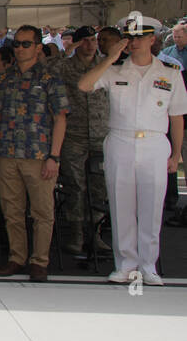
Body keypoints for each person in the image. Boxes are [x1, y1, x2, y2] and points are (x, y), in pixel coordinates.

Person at [79, 15, 186, 285]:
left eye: (140, 37)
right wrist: (109, 58)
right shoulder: (114, 71)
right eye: (130, 37)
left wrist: (176, 154)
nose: (134, 42)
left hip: (154, 142)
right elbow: (84, 85)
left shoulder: (170, 73)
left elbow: (176, 117)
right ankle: (125, 264)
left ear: (152, 39)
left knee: (151, 207)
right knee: (121, 204)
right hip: (121, 140)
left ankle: (148, 265)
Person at [0, 24, 69, 281]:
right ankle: (16, 257)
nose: (20, 48)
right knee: (12, 210)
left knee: (42, 212)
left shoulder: (50, 79)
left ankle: (39, 261)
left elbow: (60, 118)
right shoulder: (2, 78)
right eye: (17, 44)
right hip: (8, 153)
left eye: (26, 43)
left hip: (39, 156)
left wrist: (54, 156)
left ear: (37, 47)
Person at [53, 27, 111, 256]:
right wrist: (66, 52)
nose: (90, 44)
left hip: (100, 135)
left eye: (92, 40)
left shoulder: (105, 65)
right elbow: (45, 70)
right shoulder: (65, 66)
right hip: (73, 135)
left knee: (99, 188)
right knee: (75, 186)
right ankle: (75, 234)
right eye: (84, 41)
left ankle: (94, 233)